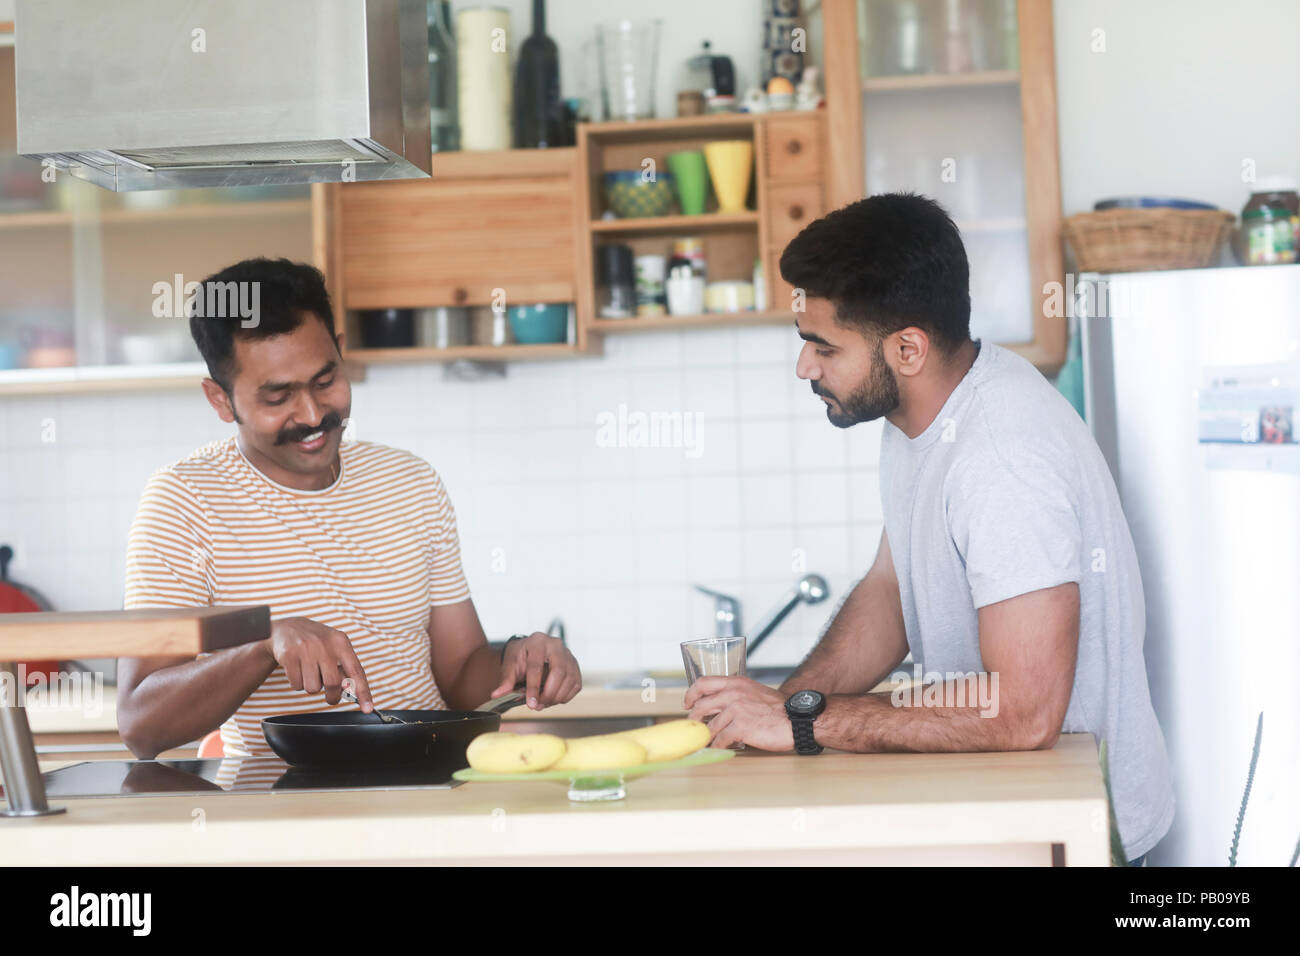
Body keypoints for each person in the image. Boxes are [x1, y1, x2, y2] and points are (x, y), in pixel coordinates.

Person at [684, 193, 1174, 864]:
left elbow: (1024, 712)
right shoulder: (921, 419)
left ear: (907, 348)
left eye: (822, 346)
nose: (804, 367)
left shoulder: (1002, 458)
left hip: (1078, 834)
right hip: (1008, 812)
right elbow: (890, 595)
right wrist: (788, 702)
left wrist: (803, 723)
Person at [118, 258, 581, 760]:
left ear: (340, 350)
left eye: (325, 380)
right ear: (220, 401)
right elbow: (142, 725)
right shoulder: (184, 501)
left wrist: (517, 659)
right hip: (277, 809)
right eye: (278, 396)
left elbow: (461, 674)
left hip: (430, 789)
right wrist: (261, 645)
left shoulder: (411, 482)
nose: (314, 415)